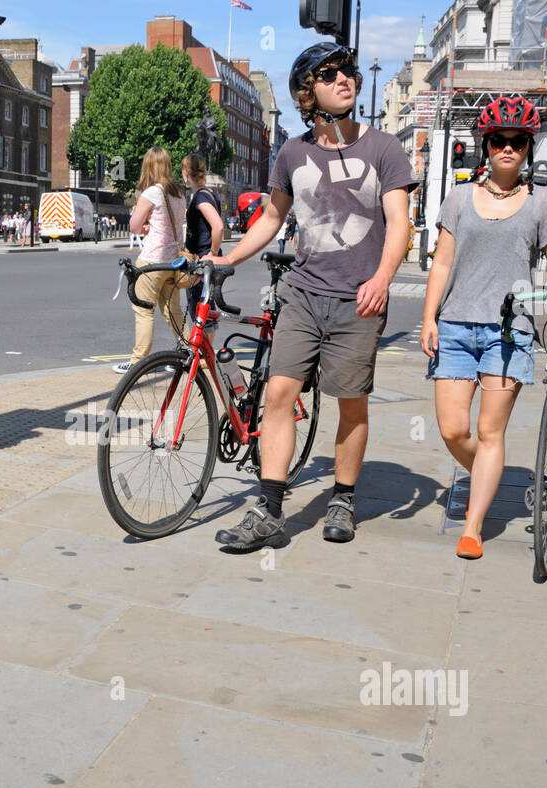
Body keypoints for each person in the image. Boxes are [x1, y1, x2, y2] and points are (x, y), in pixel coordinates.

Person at [209, 43, 415, 550]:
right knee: (278, 395)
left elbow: (400, 224)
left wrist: (383, 278)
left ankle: (343, 497)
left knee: (349, 403)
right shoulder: (292, 154)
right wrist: (229, 258)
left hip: (357, 298)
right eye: (330, 74)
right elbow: (273, 219)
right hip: (302, 293)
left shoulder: (383, 149)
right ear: (308, 92)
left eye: (347, 71)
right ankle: (271, 511)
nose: (344, 78)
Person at [420, 95, 547, 559]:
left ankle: (473, 525)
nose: (507, 149)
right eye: (498, 141)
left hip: (510, 330)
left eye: (517, 141)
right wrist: (429, 317)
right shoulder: (457, 198)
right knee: (453, 430)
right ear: (485, 146)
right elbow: (442, 262)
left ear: (528, 148)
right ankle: (492, 472)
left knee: (491, 432)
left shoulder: (542, 202)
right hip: (454, 325)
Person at [115, 146, 187, 374]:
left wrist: (145, 225)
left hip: (152, 261)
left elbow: (135, 226)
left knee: (144, 310)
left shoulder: (151, 193)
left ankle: (138, 362)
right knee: (173, 310)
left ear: (149, 166)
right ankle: (188, 352)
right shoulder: (178, 192)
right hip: (174, 260)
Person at [181, 152, 224, 314]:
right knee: (207, 310)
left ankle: (205, 340)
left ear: (186, 172)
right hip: (205, 260)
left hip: (201, 260)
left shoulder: (200, 198)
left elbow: (218, 226)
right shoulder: (210, 193)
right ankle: (207, 340)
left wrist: (212, 253)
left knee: (200, 312)